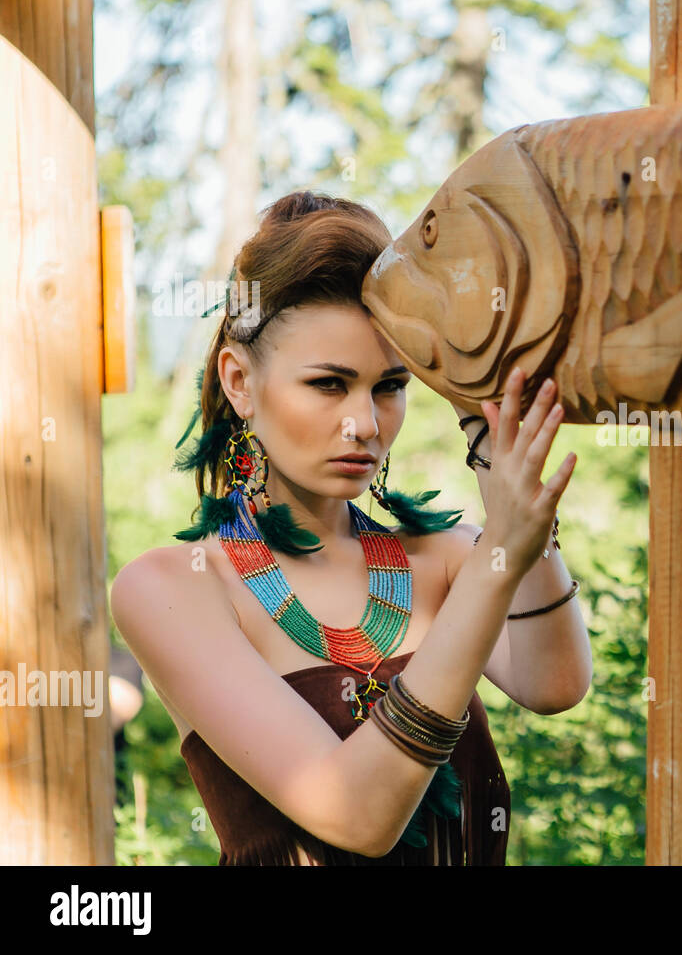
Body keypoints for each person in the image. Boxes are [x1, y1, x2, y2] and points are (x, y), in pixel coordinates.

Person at [109, 191, 589, 865]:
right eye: (330, 384)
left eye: (389, 385)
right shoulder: (174, 588)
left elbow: (555, 684)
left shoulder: (449, 559)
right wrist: (501, 552)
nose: (365, 423)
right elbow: (356, 814)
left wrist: (490, 437)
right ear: (239, 382)